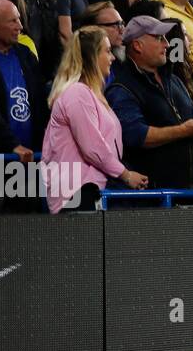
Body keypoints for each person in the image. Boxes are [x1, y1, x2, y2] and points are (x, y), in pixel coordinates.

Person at [105, 15, 193, 190]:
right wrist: (185, 130)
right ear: (137, 45)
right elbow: (136, 136)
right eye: (159, 38)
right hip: (155, 198)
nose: (166, 44)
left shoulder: (174, 81)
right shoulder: (122, 88)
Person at [41, 26, 148, 212]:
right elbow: (93, 147)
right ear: (91, 57)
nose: (112, 57)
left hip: (95, 189)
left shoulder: (93, 94)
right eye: (107, 51)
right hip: (78, 195)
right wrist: (126, 175)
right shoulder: (77, 93)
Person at [0, 0, 45, 161]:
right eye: (13, 21)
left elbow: (41, 101)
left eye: (19, 19)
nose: (20, 27)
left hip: (32, 154)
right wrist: (11, 144)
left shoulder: (26, 55)